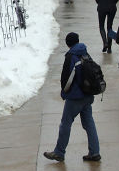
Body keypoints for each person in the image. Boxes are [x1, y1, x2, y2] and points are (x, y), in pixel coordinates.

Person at [43, 32, 101, 163]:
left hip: (75, 97)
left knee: (66, 123)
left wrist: (64, 92)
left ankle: (59, 152)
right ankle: (95, 152)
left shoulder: (71, 57)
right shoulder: (85, 53)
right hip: (87, 95)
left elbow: (67, 79)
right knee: (89, 124)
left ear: (68, 43)